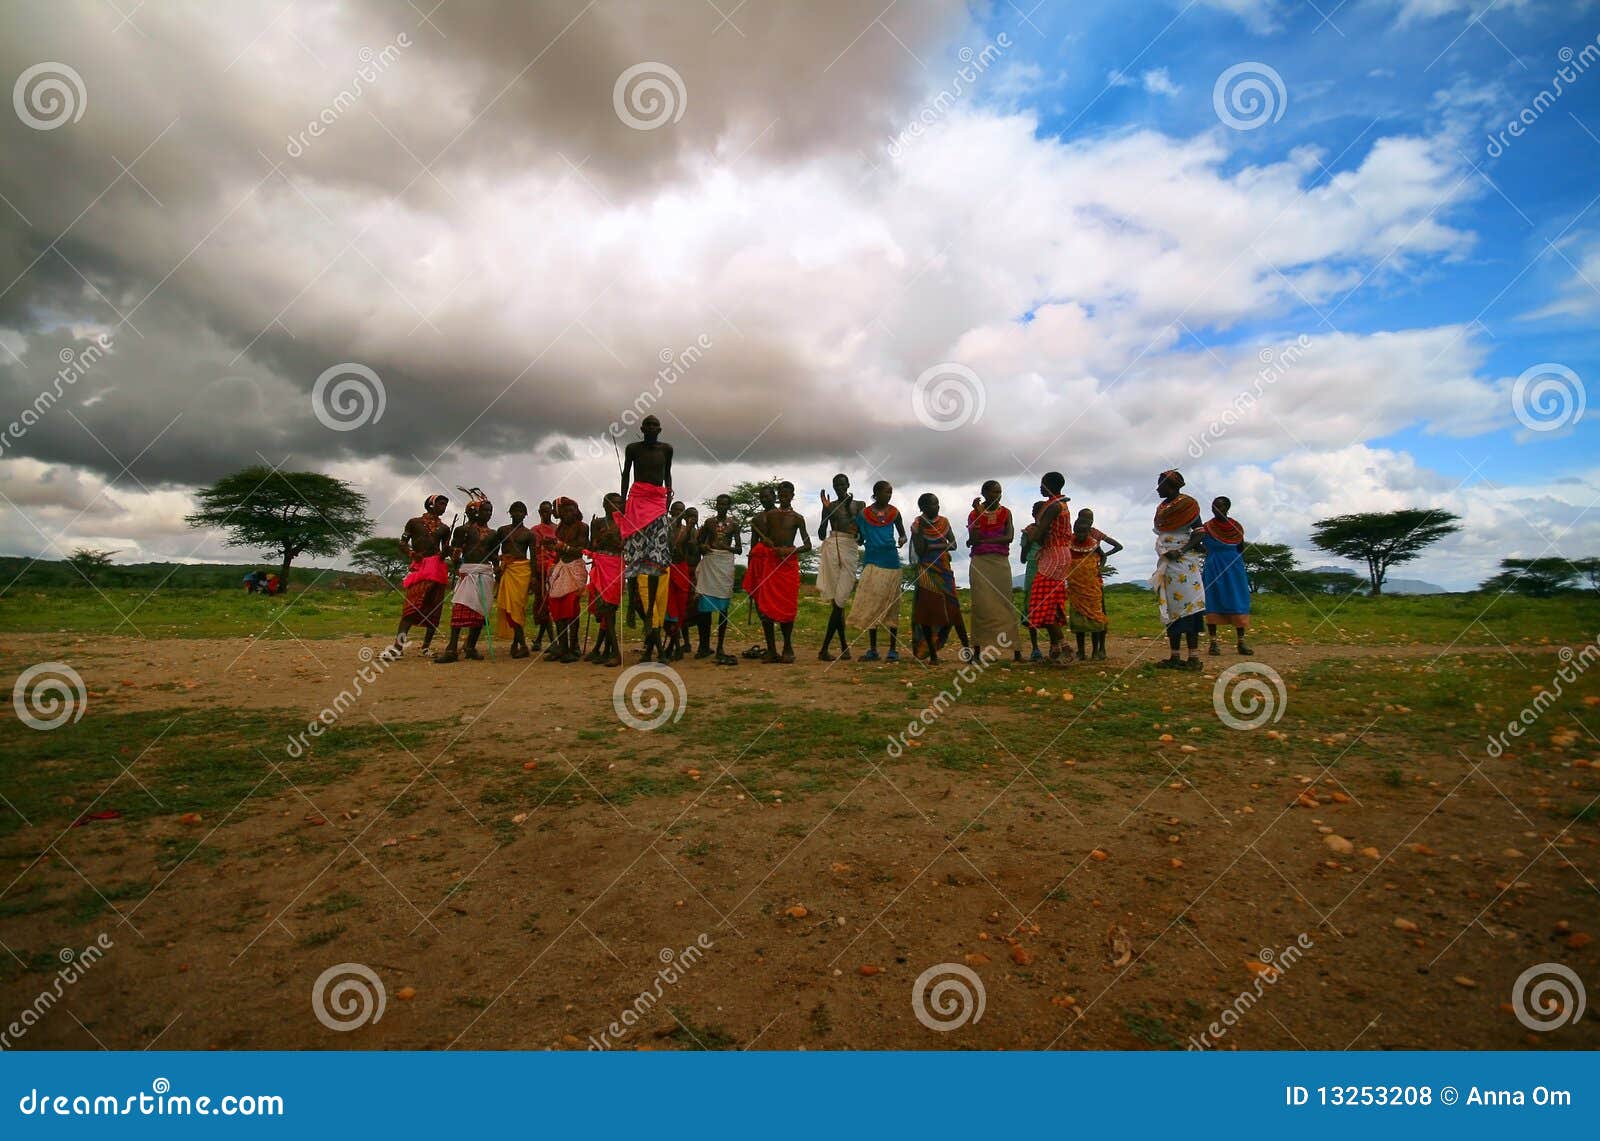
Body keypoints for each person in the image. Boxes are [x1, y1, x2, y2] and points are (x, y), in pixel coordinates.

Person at [619, 415, 674, 663]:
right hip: (638, 500)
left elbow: (668, 474)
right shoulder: (632, 449)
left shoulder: (667, 449)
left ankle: (651, 609)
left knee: (656, 559)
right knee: (635, 555)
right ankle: (635, 605)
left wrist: (668, 497)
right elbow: (625, 475)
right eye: (647, 425)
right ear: (641, 429)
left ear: (660, 429)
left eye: (655, 425)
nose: (651, 428)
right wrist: (622, 502)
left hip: (658, 501)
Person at [749, 481, 812, 663]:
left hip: (788, 564)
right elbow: (762, 541)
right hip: (771, 562)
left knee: (787, 606)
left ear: (792, 495)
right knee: (766, 606)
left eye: (787, 494)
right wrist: (766, 543)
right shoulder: (768, 516)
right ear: (778, 496)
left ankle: (787, 647)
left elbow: (807, 545)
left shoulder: (798, 518)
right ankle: (770, 649)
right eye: (781, 494)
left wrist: (790, 550)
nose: (784, 497)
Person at [1150, 470, 1207, 669]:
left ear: (1171, 485)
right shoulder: (1162, 507)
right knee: (1171, 607)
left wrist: (1181, 550)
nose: (1157, 488)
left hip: (1184, 563)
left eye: (1161, 484)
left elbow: (1200, 532)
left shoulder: (1188, 505)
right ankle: (1174, 656)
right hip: (1167, 562)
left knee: (1189, 607)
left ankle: (1193, 658)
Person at [435, 491, 499, 664]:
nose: (489, 514)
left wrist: (499, 568)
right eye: (485, 510)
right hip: (468, 572)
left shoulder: (494, 534)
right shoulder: (463, 530)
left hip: (485, 573)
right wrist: (456, 563)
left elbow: (494, 555)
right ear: (477, 511)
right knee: (460, 608)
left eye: (490, 511)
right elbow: (455, 553)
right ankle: (451, 649)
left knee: (481, 612)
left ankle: (470, 646)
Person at [848, 481, 907, 661]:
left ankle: (892, 650)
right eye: (886, 492)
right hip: (873, 560)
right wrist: (858, 536)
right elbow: (857, 535)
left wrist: (903, 539)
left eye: (891, 492)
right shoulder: (864, 515)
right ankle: (873, 650)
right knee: (871, 603)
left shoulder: (895, 513)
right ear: (876, 493)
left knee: (892, 605)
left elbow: (902, 534)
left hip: (891, 561)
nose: (889, 495)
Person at [910, 493, 970, 664]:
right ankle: (933, 655)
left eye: (937, 504)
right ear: (922, 507)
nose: (936, 507)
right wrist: (922, 531)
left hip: (944, 569)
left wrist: (933, 545)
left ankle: (967, 650)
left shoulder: (944, 522)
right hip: (927, 571)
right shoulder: (916, 525)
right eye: (932, 505)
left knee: (954, 611)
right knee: (928, 613)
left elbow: (954, 544)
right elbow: (920, 550)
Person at [389, 494, 451, 658]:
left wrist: (447, 553)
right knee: (411, 607)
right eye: (441, 503)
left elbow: (445, 550)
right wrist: (411, 553)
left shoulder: (445, 528)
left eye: (445, 504)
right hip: (420, 567)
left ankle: (425, 647)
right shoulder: (414, 523)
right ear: (431, 504)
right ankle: (397, 648)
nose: (443, 507)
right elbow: (402, 543)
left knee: (434, 608)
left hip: (437, 567)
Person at [966, 481, 1020, 662]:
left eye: (1000, 492)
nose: (998, 495)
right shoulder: (973, 514)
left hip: (1000, 563)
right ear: (984, 493)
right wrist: (979, 517)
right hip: (980, 563)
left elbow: (1009, 537)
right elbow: (974, 539)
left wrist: (983, 541)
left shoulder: (1006, 513)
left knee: (1006, 604)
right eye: (994, 492)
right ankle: (978, 652)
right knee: (981, 606)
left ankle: (1016, 650)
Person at [1026, 472, 1073, 664]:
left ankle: (1063, 646)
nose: (1039, 486)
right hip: (1057, 554)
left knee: (1041, 602)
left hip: (1054, 556)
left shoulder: (1054, 506)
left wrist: (1031, 531)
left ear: (1049, 485)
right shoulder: (1060, 504)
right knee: (1049, 602)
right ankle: (1054, 649)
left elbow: (1038, 535)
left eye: (1042, 483)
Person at [816, 474, 862, 661]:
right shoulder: (829, 505)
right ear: (833, 487)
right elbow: (820, 534)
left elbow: (860, 534)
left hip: (850, 547)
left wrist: (849, 511)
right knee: (838, 603)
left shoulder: (859, 505)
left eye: (842, 484)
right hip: (832, 546)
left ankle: (825, 648)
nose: (839, 487)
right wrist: (826, 512)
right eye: (836, 485)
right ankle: (842, 646)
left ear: (849, 484)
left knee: (840, 601)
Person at [1067, 508, 1122, 662]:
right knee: (1078, 618)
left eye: (1084, 532)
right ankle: (1081, 651)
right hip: (1076, 586)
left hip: (1093, 585)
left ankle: (1098, 649)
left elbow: (1103, 555)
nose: (1081, 535)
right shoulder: (1069, 541)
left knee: (1097, 616)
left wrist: (1096, 567)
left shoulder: (1093, 540)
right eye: (1078, 532)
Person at [1201, 496, 1253, 655]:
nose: (1216, 509)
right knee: (1212, 599)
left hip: (1234, 566)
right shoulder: (1207, 527)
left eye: (1220, 507)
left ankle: (1241, 642)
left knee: (1237, 598)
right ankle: (1213, 643)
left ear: (1227, 508)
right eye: (1214, 506)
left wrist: (1231, 558)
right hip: (1213, 565)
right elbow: (1197, 542)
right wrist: (1211, 553)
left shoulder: (1236, 526)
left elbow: (1240, 546)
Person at [695, 494, 741, 665]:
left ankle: (720, 646)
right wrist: (704, 546)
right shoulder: (709, 523)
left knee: (723, 608)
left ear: (729, 506)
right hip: (710, 562)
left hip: (725, 563)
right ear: (716, 505)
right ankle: (703, 646)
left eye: (725, 504)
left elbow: (739, 549)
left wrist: (726, 547)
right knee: (704, 607)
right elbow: (699, 542)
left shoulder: (734, 525)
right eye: (719, 504)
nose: (721, 506)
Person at [545, 497, 589, 663]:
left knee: (571, 609)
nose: (569, 513)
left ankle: (573, 647)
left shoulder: (583, 527)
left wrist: (561, 546)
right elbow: (559, 553)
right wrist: (553, 565)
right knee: (558, 609)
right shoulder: (560, 529)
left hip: (575, 569)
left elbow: (580, 550)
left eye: (572, 510)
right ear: (560, 513)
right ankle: (563, 647)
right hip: (562, 568)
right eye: (565, 511)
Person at [587, 493, 626, 667]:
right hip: (601, 564)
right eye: (613, 503)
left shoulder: (625, 523)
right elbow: (591, 546)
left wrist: (615, 541)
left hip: (616, 566)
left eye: (619, 503)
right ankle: (605, 651)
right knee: (604, 609)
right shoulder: (597, 523)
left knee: (610, 609)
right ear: (605, 504)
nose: (616, 506)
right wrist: (602, 539)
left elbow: (626, 547)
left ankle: (615, 653)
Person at [494, 501, 534, 658]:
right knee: (509, 608)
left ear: (525, 514)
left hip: (522, 571)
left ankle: (519, 644)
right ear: (509, 513)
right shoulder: (502, 531)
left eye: (521, 511)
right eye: (515, 511)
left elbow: (534, 557)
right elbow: (492, 549)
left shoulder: (529, 534)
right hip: (508, 570)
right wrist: (497, 565)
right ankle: (520, 644)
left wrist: (534, 577)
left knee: (518, 608)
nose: (518, 513)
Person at [664, 507, 698, 660]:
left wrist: (691, 531)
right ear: (671, 512)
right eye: (676, 511)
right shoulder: (664, 529)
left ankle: (676, 646)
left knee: (681, 608)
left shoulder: (689, 530)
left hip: (682, 569)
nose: (678, 514)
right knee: (669, 610)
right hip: (667, 570)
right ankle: (675, 645)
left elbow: (691, 550)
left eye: (681, 511)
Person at [529, 500, 559, 653]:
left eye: (548, 511)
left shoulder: (558, 528)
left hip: (555, 571)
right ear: (539, 512)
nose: (545, 514)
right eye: (543, 511)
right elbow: (533, 554)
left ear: (552, 512)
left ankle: (542, 640)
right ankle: (551, 641)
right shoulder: (534, 530)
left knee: (550, 606)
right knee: (542, 606)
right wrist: (533, 575)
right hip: (540, 572)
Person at [1017, 500, 1045, 661]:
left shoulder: (1052, 531)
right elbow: (1022, 558)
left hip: (1046, 570)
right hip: (1034, 570)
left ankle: (1054, 645)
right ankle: (1035, 648)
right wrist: (1029, 539)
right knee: (1033, 608)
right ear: (1034, 515)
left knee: (1047, 609)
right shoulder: (1028, 532)